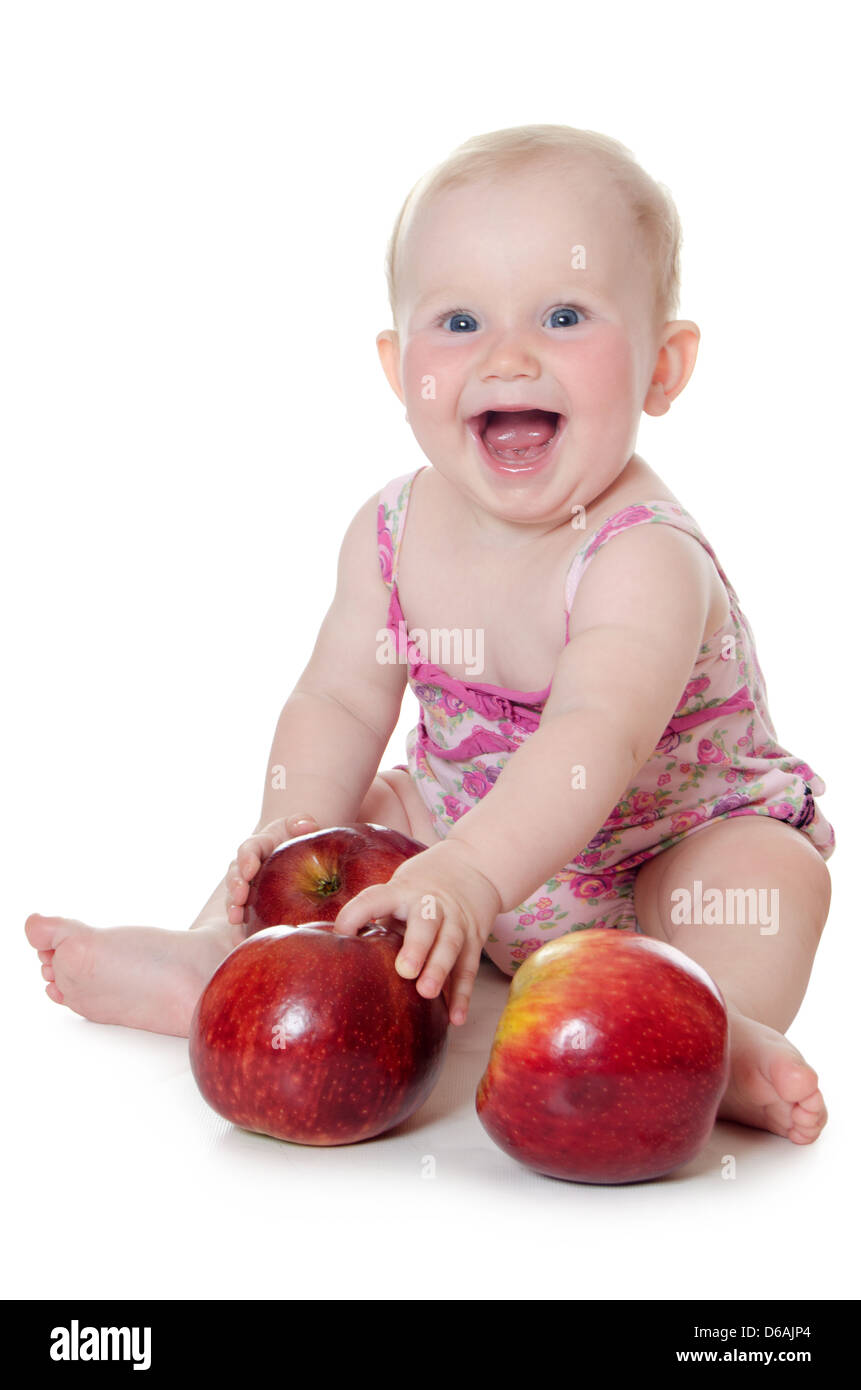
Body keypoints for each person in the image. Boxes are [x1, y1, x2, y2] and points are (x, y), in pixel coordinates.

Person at [26, 124, 834, 1144]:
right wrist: (296, 841)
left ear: (663, 370)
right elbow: (340, 696)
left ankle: (713, 1034)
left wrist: (469, 874)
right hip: (455, 838)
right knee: (365, 816)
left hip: (655, 852)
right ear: (398, 365)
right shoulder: (391, 533)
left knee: (761, 879)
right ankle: (226, 960)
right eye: (459, 321)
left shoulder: (641, 556)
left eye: (565, 313)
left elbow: (594, 740)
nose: (508, 353)